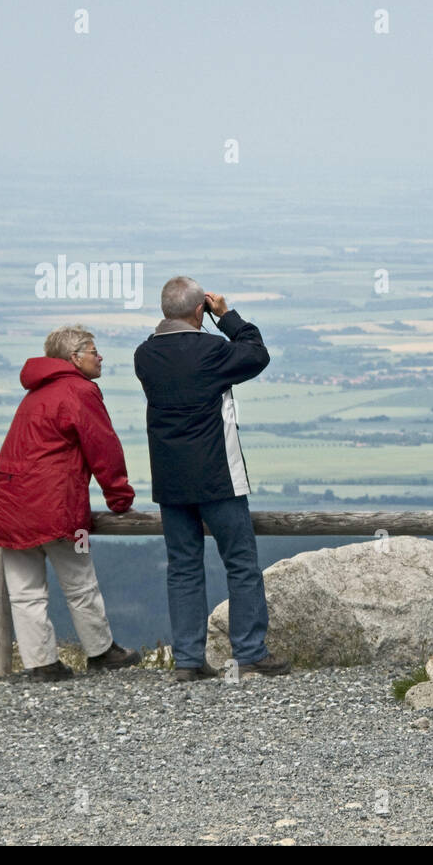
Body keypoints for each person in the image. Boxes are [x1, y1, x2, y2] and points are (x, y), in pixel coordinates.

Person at [134, 276, 290, 682]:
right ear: (198, 310)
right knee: (240, 562)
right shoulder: (212, 351)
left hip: (170, 480)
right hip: (218, 476)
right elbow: (256, 355)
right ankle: (250, 652)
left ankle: (187, 660)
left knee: (183, 566)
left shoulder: (144, 356)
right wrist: (227, 316)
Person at [0, 325, 141, 681]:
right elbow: (104, 448)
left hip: (7, 505)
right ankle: (101, 652)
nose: (100, 357)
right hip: (55, 507)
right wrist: (119, 497)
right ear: (74, 357)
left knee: (24, 591)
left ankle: (41, 664)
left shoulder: (35, 393)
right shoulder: (81, 391)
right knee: (80, 581)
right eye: (93, 351)